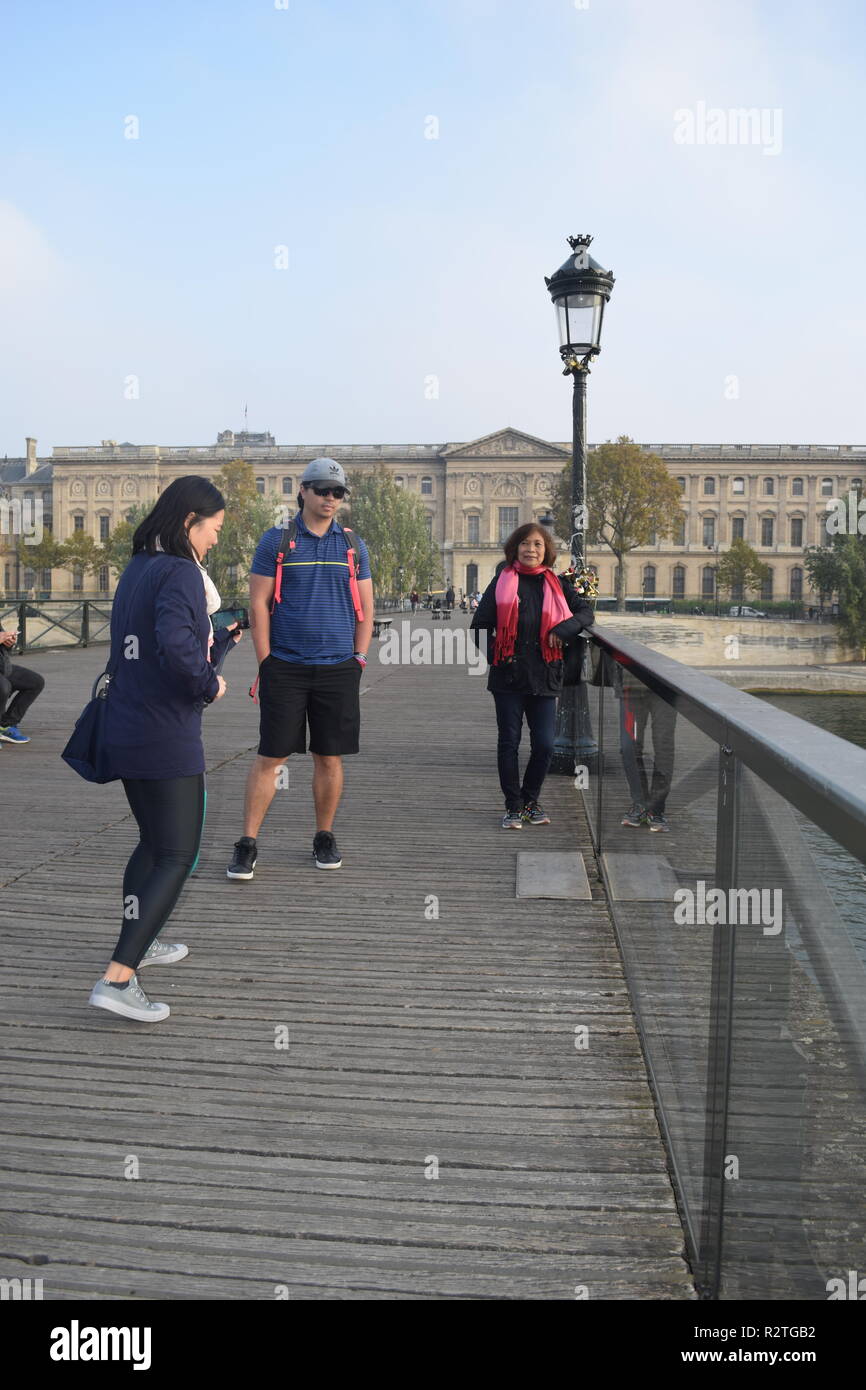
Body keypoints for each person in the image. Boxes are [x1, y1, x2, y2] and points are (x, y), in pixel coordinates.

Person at [88, 475, 241, 1024]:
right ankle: (117, 978)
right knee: (178, 854)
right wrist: (208, 683)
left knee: (151, 843)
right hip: (164, 733)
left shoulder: (139, 568)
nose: (216, 541)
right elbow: (178, 650)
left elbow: (150, 645)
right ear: (188, 522)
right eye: (214, 529)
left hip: (127, 723)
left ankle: (141, 938)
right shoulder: (179, 572)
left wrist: (220, 643)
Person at [227, 457, 374, 878]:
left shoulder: (352, 545)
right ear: (303, 492)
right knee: (271, 756)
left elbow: (365, 605)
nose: (330, 498)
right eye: (323, 490)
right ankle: (248, 842)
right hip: (285, 666)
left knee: (329, 757)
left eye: (337, 492)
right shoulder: (276, 541)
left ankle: (323, 836)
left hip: (338, 667)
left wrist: (359, 658)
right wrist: (265, 660)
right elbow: (258, 603)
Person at [471, 523, 594, 829]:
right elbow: (481, 625)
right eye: (525, 544)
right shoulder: (502, 580)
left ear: (546, 551)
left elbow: (585, 613)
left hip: (545, 674)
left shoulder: (557, 584)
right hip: (509, 675)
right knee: (509, 742)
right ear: (515, 548)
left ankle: (530, 800)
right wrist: (496, 656)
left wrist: (564, 629)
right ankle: (514, 805)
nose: (531, 550)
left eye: (537, 544)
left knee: (544, 745)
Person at [0, 627, 44, 745]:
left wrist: (8, 642)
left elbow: (4, 649)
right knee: (3, 686)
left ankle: (6, 725)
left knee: (35, 682)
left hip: (3, 667)